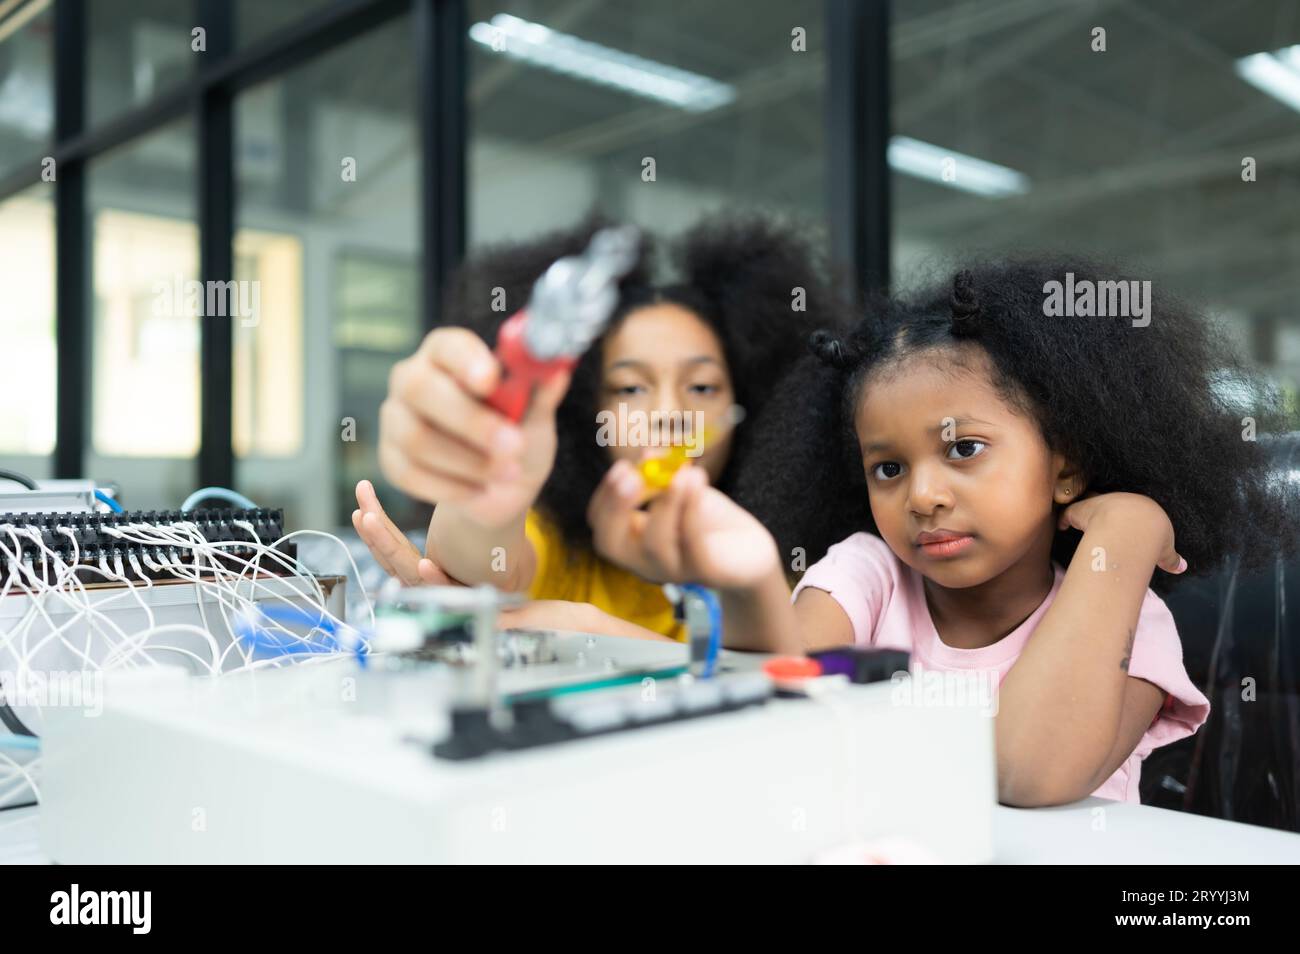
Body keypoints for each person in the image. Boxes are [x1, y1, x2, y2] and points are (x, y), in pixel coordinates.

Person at [585, 259, 1299, 805]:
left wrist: (1130, 532)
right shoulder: (865, 574)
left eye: (963, 449)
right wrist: (744, 584)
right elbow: (778, 702)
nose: (922, 495)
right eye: (888, 467)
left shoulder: (1132, 621)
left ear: (1067, 466)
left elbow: (1026, 771)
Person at [355, 213, 845, 643]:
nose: (670, 414)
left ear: (752, 409)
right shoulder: (555, 536)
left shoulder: (781, 555)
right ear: (583, 410)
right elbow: (473, 561)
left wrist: (597, 631)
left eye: (702, 387)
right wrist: (488, 473)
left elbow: (783, 682)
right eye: (631, 389)